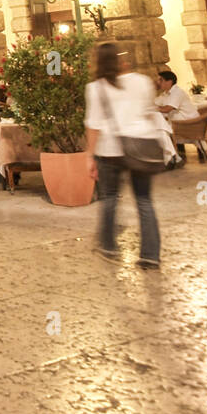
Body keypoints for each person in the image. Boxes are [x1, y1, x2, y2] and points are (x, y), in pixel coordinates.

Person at [84, 43, 163, 268]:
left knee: (109, 198)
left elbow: (93, 125)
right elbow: (150, 113)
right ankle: (150, 255)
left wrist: (90, 156)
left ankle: (108, 246)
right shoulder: (143, 81)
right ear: (121, 60)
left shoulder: (96, 88)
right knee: (144, 200)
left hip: (110, 149)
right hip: (141, 145)